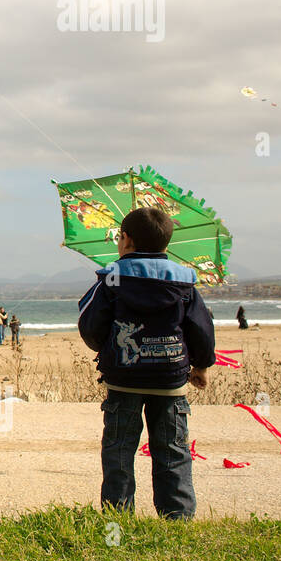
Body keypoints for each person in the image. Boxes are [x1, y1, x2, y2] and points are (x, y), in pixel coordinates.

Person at [78, 207, 216, 520]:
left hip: (123, 379)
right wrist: (201, 365)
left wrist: (107, 349)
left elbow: (90, 323)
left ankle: (118, 518)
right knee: (172, 451)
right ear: (166, 244)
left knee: (119, 450)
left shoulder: (112, 278)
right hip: (170, 381)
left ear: (125, 239)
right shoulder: (184, 283)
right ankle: (177, 518)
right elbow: (201, 327)